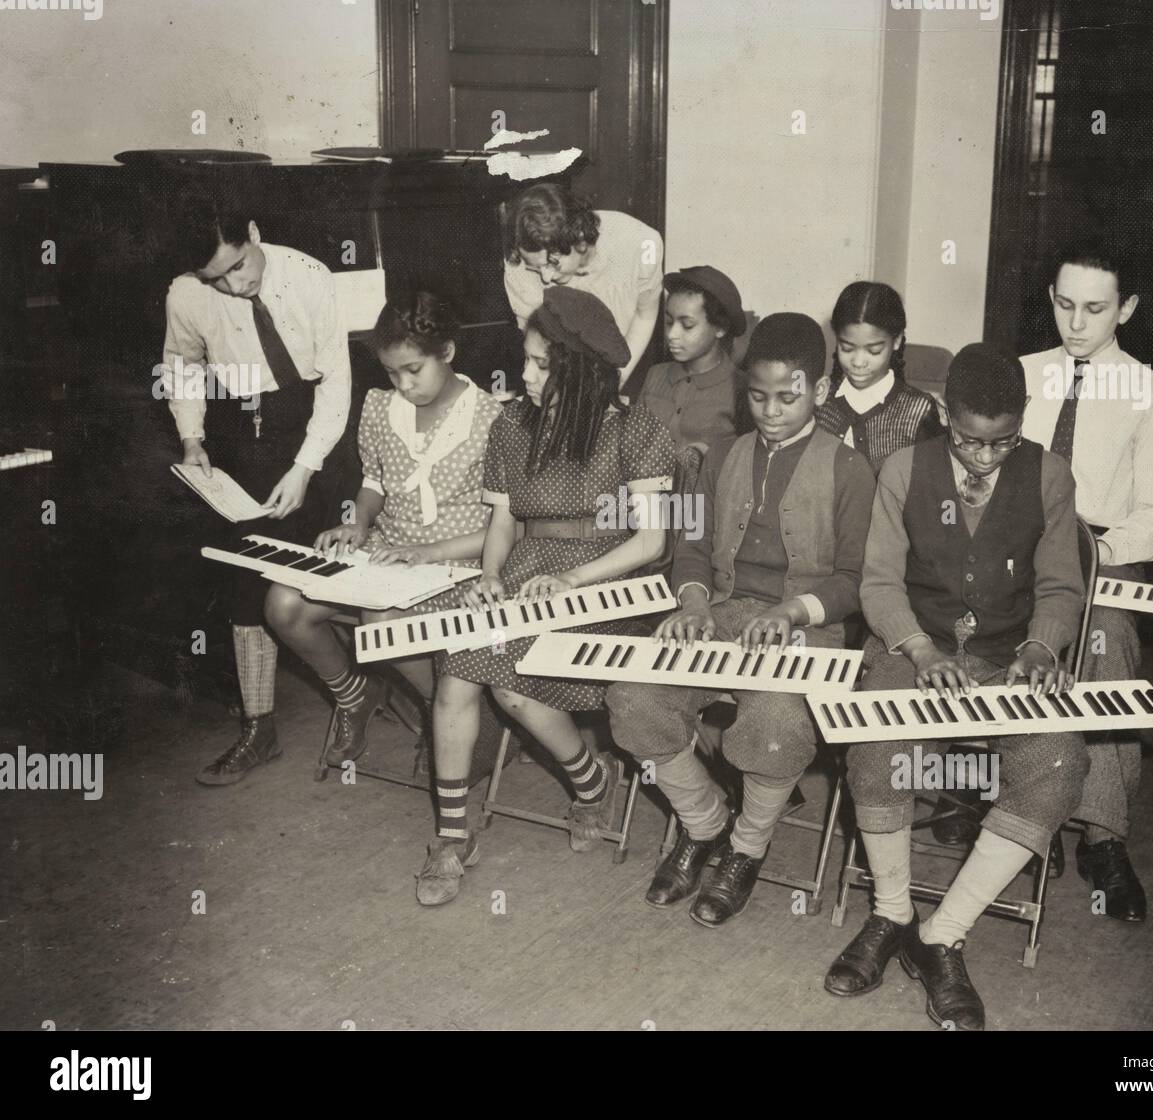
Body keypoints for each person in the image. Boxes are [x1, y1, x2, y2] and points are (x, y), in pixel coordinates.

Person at [826, 343, 1088, 1030]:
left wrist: (1038, 646)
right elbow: (878, 582)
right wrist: (915, 647)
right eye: (971, 439)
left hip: (1009, 654)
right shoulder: (903, 467)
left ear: (1023, 422)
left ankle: (941, 933)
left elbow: (1061, 585)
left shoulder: (1050, 476)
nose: (984, 457)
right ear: (944, 414)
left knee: (1059, 760)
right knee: (877, 746)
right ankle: (890, 912)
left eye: (1004, 442)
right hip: (914, 641)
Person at [606, 313, 875, 928]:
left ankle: (748, 847)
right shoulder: (722, 454)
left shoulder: (850, 470)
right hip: (719, 612)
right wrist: (694, 601)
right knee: (632, 696)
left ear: (822, 390)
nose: (772, 410)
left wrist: (791, 610)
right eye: (758, 396)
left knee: (776, 721)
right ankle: (705, 825)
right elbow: (693, 547)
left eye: (789, 396)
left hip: (806, 626)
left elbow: (856, 581)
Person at [415, 286, 676, 906]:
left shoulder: (636, 431)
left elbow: (651, 542)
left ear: (581, 372)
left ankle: (591, 782)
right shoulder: (512, 426)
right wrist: (489, 573)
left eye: (540, 365)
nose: (525, 376)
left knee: (511, 681)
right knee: (457, 665)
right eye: (527, 360)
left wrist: (572, 580)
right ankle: (452, 836)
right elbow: (503, 522)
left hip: (610, 583)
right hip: (529, 569)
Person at [160, 189, 350, 786]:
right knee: (246, 582)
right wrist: (192, 437)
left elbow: (337, 382)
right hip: (244, 430)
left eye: (238, 267)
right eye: (216, 279)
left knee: (327, 573)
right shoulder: (187, 293)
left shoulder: (309, 277)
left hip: (318, 428)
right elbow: (183, 364)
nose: (234, 287)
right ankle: (258, 728)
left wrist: (304, 467)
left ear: (252, 230)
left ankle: (355, 699)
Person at [263, 292, 500, 767]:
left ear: (447, 351)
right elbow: (373, 485)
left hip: (461, 561)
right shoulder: (378, 407)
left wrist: (426, 553)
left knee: (383, 624)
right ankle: (354, 694)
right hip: (388, 551)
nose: (404, 384)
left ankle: (453, 706)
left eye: (414, 369)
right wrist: (356, 523)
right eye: (392, 373)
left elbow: (505, 528)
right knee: (282, 602)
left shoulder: (493, 417)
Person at [1019, 241, 1153, 922]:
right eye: (1063, 305)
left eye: (1094, 309)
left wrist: (1093, 551)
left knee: (1106, 641)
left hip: (1106, 551)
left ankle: (1104, 836)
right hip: (1020, 554)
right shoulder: (1021, 374)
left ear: (1127, 308)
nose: (1075, 323)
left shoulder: (1149, 391)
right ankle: (1022, 802)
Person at [501, 183, 663, 389]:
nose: (545, 277)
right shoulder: (517, 265)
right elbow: (538, 344)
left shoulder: (643, 244)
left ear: (580, 240)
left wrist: (615, 381)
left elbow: (645, 315)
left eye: (553, 263)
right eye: (536, 268)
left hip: (626, 358)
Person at [816, 280, 943, 472]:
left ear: (897, 340)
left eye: (873, 350)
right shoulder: (821, 402)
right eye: (847, 348)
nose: (858, 362)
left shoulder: (919, 410)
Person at [639, 266, 747, 454]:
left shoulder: (742, 387)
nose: (672, 334)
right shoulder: (654, 375)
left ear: (720, 328)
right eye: (669, 322)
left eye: (687, 325)